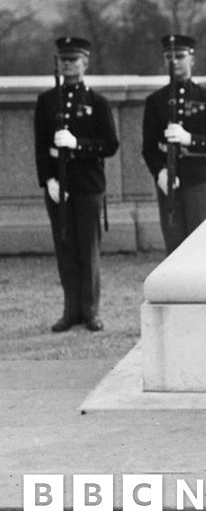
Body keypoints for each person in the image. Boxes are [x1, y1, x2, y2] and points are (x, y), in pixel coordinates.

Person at [33, 36, 119, 333]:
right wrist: (49, 179)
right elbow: (40, 145)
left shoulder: (97, 102)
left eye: (73, 59)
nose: (67, 64)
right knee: (65, 247)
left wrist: (77, 144)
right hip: (59, 184)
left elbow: (109, 145)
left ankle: (91, 310)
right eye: (63, 59)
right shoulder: (46, 101)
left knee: (88, 248)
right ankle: (71, 310)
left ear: (85, 63)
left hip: (87, 184)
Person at [142, 34, 206, 254]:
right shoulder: (155, 101)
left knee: (201, 247)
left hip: (198, 179)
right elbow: (149, 147)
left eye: (180, 56)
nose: (175, 62)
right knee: (174, 246)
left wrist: (189, 139)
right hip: (168, 181)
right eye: (169, 57)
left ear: (192, 59)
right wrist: (159, 172)